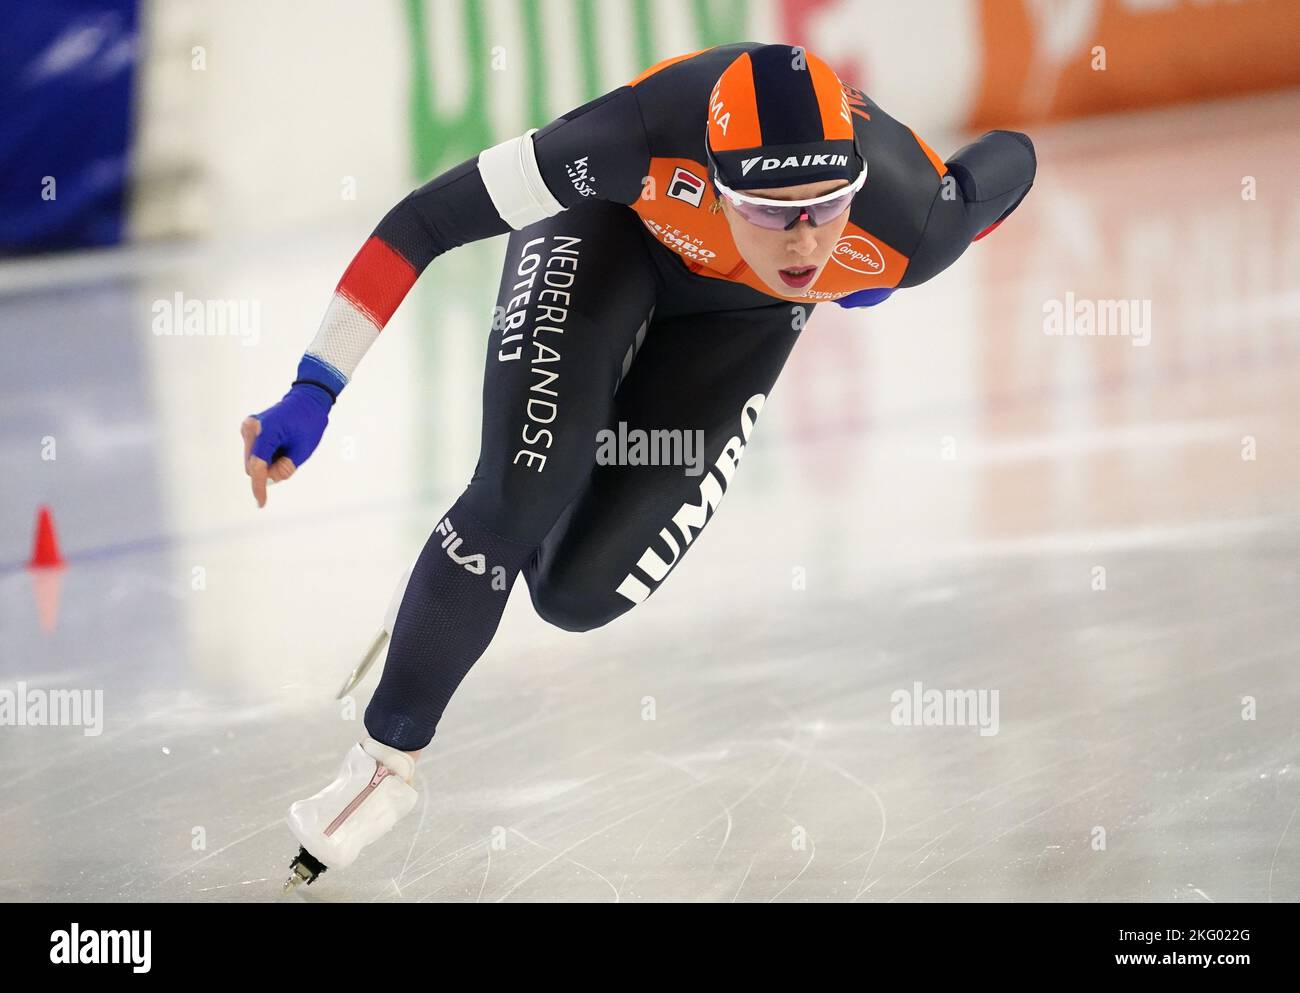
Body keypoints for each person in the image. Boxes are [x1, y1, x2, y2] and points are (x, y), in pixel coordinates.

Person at [244, 42, 1037, 889]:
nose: (805, 239)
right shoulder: (628, 140)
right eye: (770, 210)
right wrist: (315, 383)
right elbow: (424, 222)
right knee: (518, 494)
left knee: (576, 592)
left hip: (743, 316)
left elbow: (1010, 160)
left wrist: (880, 251)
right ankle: (381, 760)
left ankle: (445, 599)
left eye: (826, 206)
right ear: (717, 180)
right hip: (608, 230)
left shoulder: (911, 220)